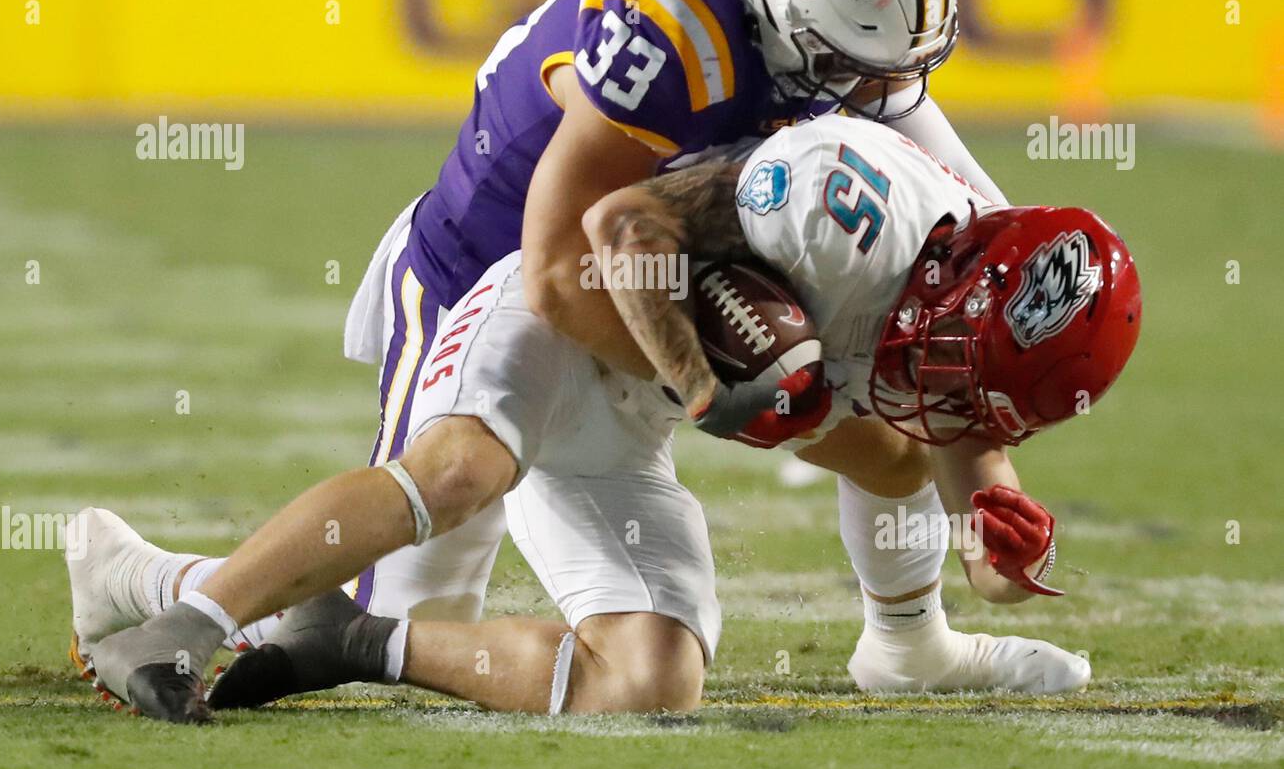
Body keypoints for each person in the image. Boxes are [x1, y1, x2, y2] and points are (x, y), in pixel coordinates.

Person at [78, 116, 1140, 721]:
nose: (939, 390)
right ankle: (163, 609)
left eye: (967, 384)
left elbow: (945, 429)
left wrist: (992, 521)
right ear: (964, 272)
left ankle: (355, 640)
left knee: (651, 680)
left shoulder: (975, 297)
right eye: (951, 362)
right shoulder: (840, 196)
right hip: (568, 315)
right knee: (456, 475)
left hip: (631, 426)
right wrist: (705, 378)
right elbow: (622, 221)